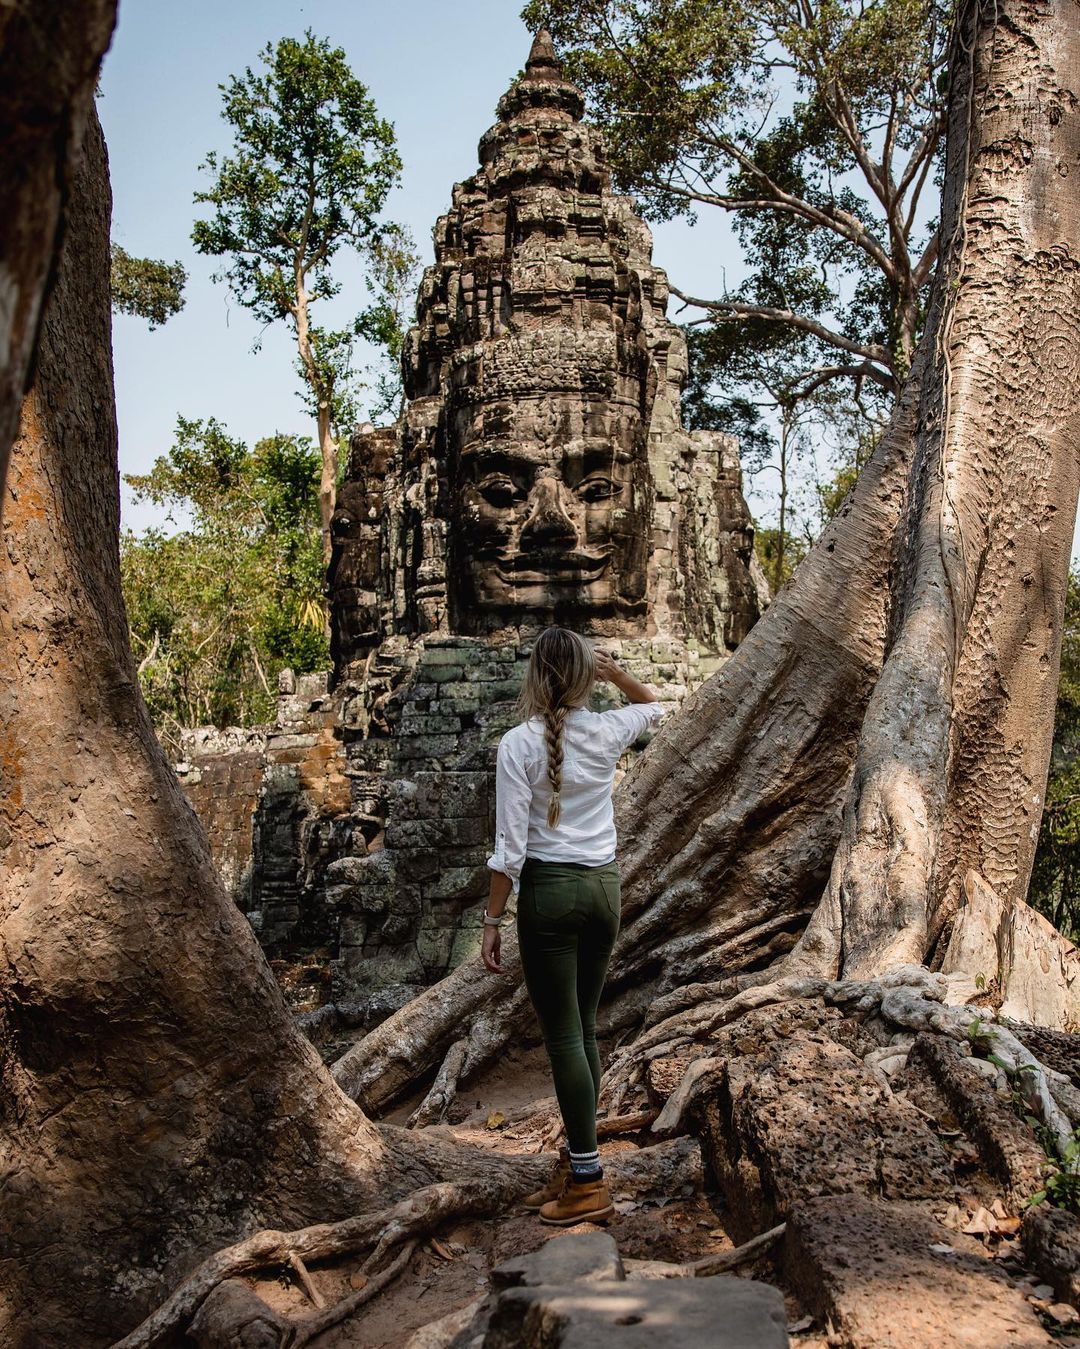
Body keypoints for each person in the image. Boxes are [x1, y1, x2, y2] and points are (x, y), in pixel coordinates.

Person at [481, 626, 666, 1226]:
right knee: (583, 1028)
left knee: (563, 1036)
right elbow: (656, 707)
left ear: (535, 677)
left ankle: (588, 1179)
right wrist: (615, 675)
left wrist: (491, 920)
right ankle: (576, 1162)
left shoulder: (519, 744)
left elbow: (510, 848)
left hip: (551, 895)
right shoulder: (608, 729)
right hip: (604, 891)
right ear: (587, 678)